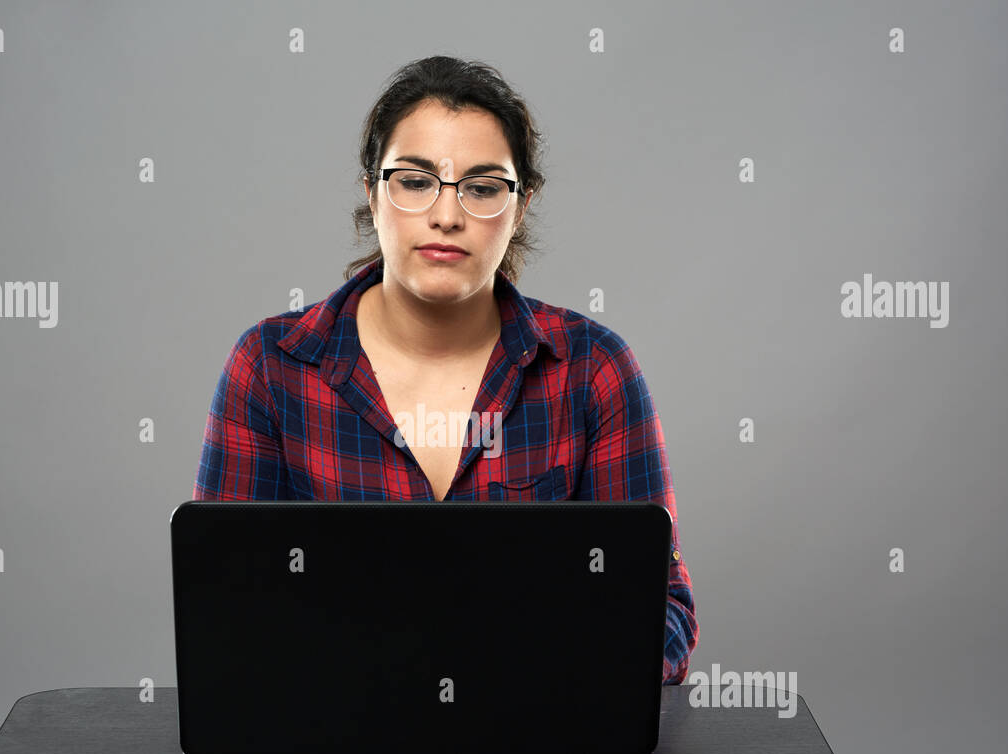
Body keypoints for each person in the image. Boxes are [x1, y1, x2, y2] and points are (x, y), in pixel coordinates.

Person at [193, 55, 697, 684]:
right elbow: (225, 613)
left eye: (483, 187)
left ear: (520, 206)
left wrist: (540, 676)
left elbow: (664, 610)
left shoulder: (593, 368)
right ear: (374, 191)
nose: (447, 215)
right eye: (415, 180)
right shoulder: (271, 368)